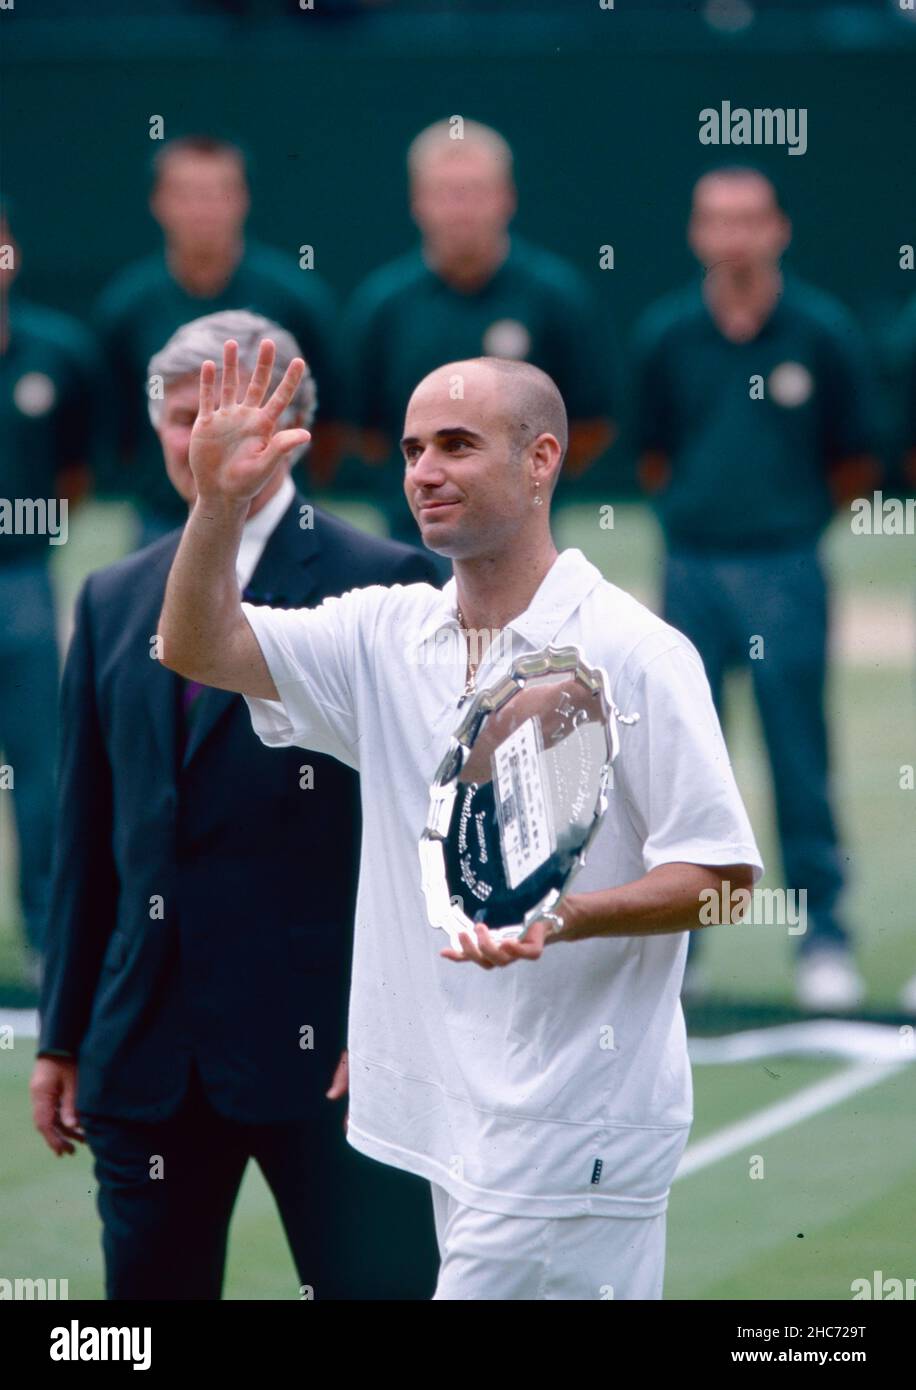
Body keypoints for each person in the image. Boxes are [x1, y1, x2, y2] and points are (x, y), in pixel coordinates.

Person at [158, 341, 762, 1301]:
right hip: (458, 1126)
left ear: (541, 460)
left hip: (570, 1130)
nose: (424, 473)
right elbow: (194, 645)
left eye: (456, 445)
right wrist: (218, 504)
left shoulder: (640, 654)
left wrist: (565, 917)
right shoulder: (384, 633)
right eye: (408, 451)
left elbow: (727, 886)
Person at [31, 311, 441, 1301]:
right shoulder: (113, 595)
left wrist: (398, 1022)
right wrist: (61, 1033)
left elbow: (424, 827)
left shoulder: (388, 580)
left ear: (291, 427)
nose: (200, 438)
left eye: (226, 413)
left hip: (333, 1055)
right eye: (181, 416)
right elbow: (90, 835)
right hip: (147, 1052)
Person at [632, 166, 879, 1012]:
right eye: (716, 220)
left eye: (749, 219)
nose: (733, 235)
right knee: (686, 764)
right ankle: (681, 949)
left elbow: (854, 457)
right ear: (698, 234)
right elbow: (652, 453)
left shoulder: (821, 331)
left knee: (798, 758)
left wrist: (787, 520)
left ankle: (825, 938)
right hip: (692, 565)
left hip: (786, 566)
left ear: (778, 229)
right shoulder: (667, 334)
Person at [343, 118, 615, 544]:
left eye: (475, 192)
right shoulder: (383, 306)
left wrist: (519, 491)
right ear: (419, 201)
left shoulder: (556, 298)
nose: (461, 207)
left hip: (524, 539)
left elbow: (590, 424)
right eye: (447, 193)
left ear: (507, 198)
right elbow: (364, 433)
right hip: (411, 538)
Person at [94, 135, 341, 546]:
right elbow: (115, 424)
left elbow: (328, 421)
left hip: (275, 521)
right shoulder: (126, 307)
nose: (202, 209)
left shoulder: (297, 300)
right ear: (159, 202)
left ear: (242, 199)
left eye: (216, 193)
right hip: (166, 521)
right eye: (186, 194)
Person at [0, 203, 100, 984]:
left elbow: (73, 479)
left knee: (40, 769)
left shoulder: (58, 354)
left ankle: (44, 943)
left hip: (22, 579)